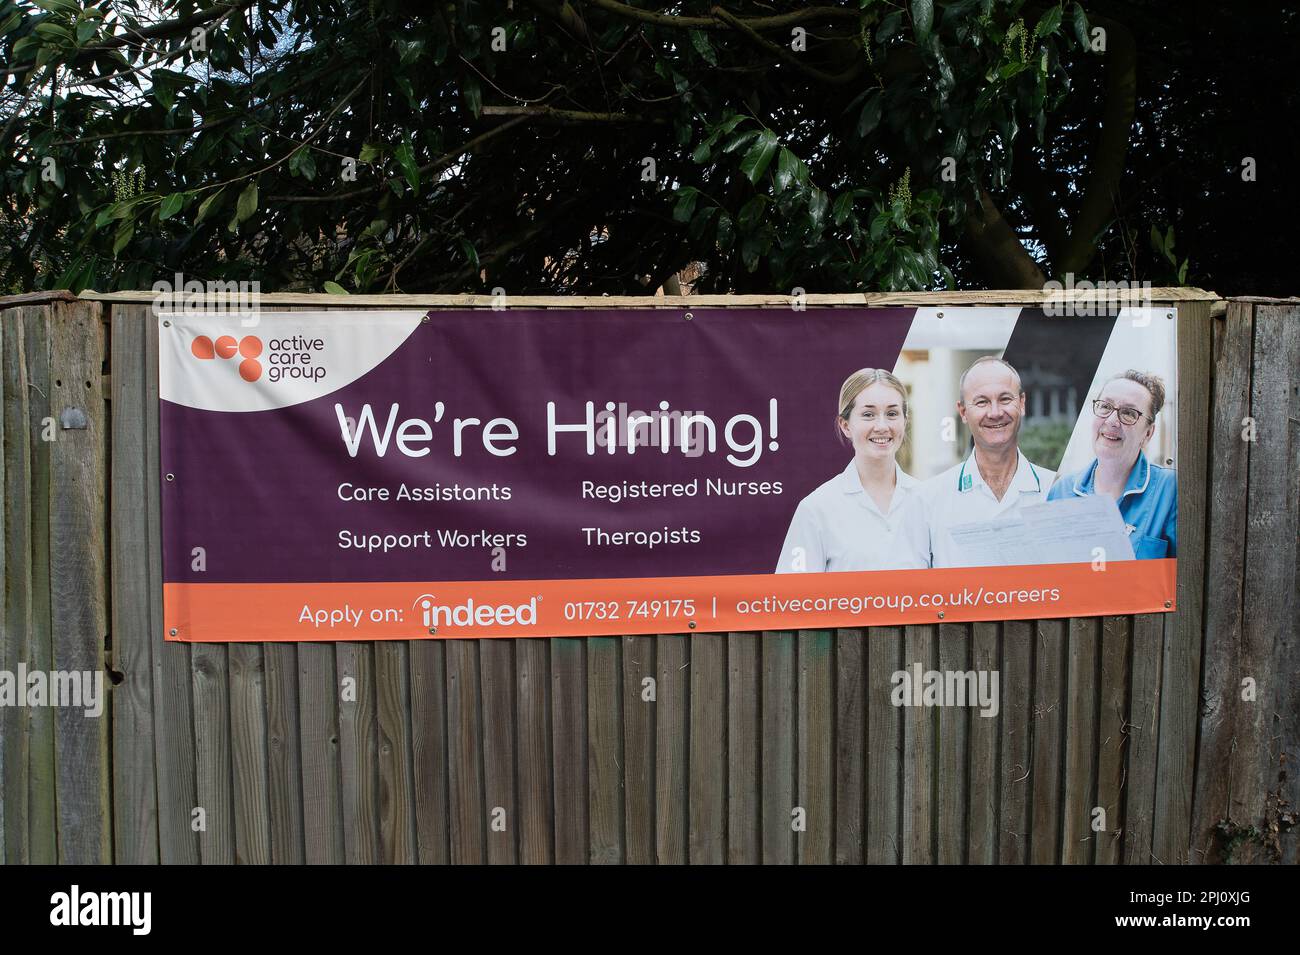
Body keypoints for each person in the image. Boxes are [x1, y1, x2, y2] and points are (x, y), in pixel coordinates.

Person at [775, 368, 929, 573]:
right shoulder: (817, 509)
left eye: (892, 413)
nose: (882, 426)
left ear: (904, 421)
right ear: (846, 425)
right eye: (868, 414)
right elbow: (793, 597)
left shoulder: (928, 501)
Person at [917, 356, 1056, 568]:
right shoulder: (928, 499)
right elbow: (914, 589)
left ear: (1022, 403)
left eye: (1005, 399)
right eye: (982, 402)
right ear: (963, 412)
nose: (995, 413)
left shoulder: (1055, 491)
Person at [1047, 370, 1177, 559]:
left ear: (1148, 434)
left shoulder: (1170, 490)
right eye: (1105, 406)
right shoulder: (1061, 491)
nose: (1112, 421)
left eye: (1128, 413)